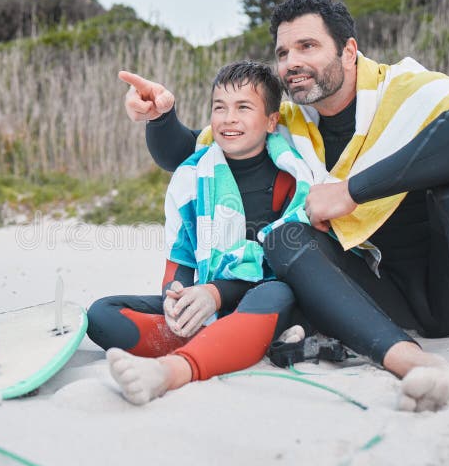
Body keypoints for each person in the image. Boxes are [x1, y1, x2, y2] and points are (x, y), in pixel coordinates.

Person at [120, 0, 449, 412]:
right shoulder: (291, 121)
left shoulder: (404, 90)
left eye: (307, 46)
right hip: (378, 298)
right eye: (283, 53)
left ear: (348, 51)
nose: (292, 63)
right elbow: (188, 153)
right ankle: (412, 361)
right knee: (282, 237)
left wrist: (351, 191)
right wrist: (161, 117)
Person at [88, 61, 316, 405]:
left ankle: (187, 361)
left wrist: (217, 293)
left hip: (262, 294)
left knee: (276, 293)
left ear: (271, 121)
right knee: (101, 315)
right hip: (208, 301)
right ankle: (225, 339)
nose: (228, 119)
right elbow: (180, 257)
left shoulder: (291, 176)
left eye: (243, 107)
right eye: (219, 108)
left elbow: (284, 265)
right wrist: (175, 298)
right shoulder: (194, 176)